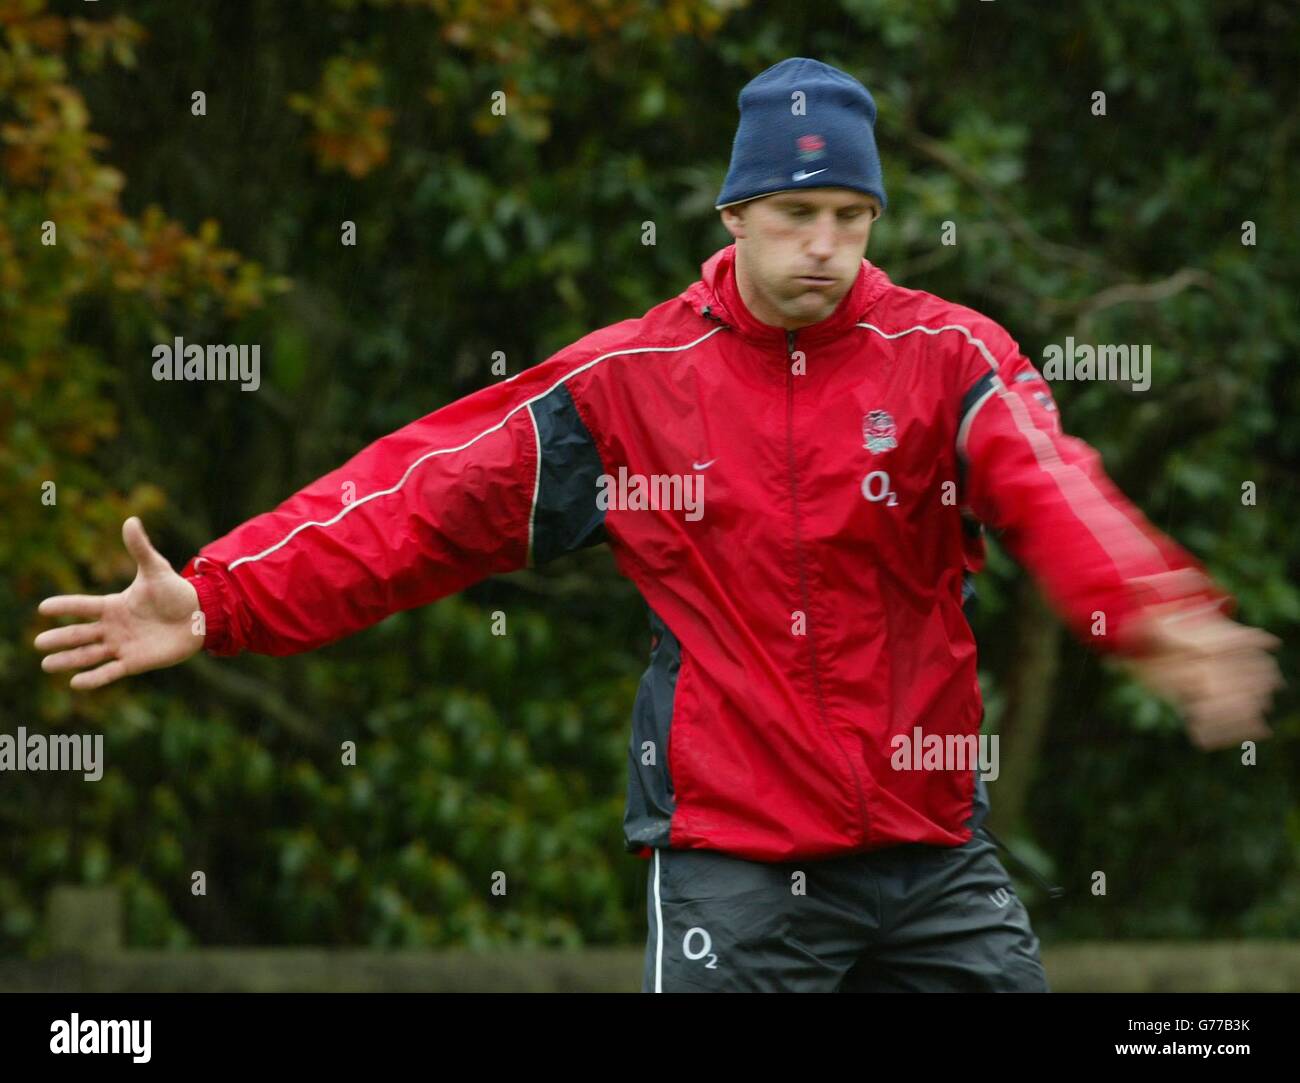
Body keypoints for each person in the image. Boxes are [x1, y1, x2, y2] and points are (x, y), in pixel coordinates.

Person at [35, 57, 1282, 992]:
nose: (827, 248)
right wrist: (222, 595)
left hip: (931, 858)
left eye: (852, 218)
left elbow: (1053, 489)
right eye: (798, 217)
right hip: (735, 874)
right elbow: (422, 498)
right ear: (732, 217)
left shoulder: (947, 357)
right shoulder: (627, 384)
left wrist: (1158, 614)